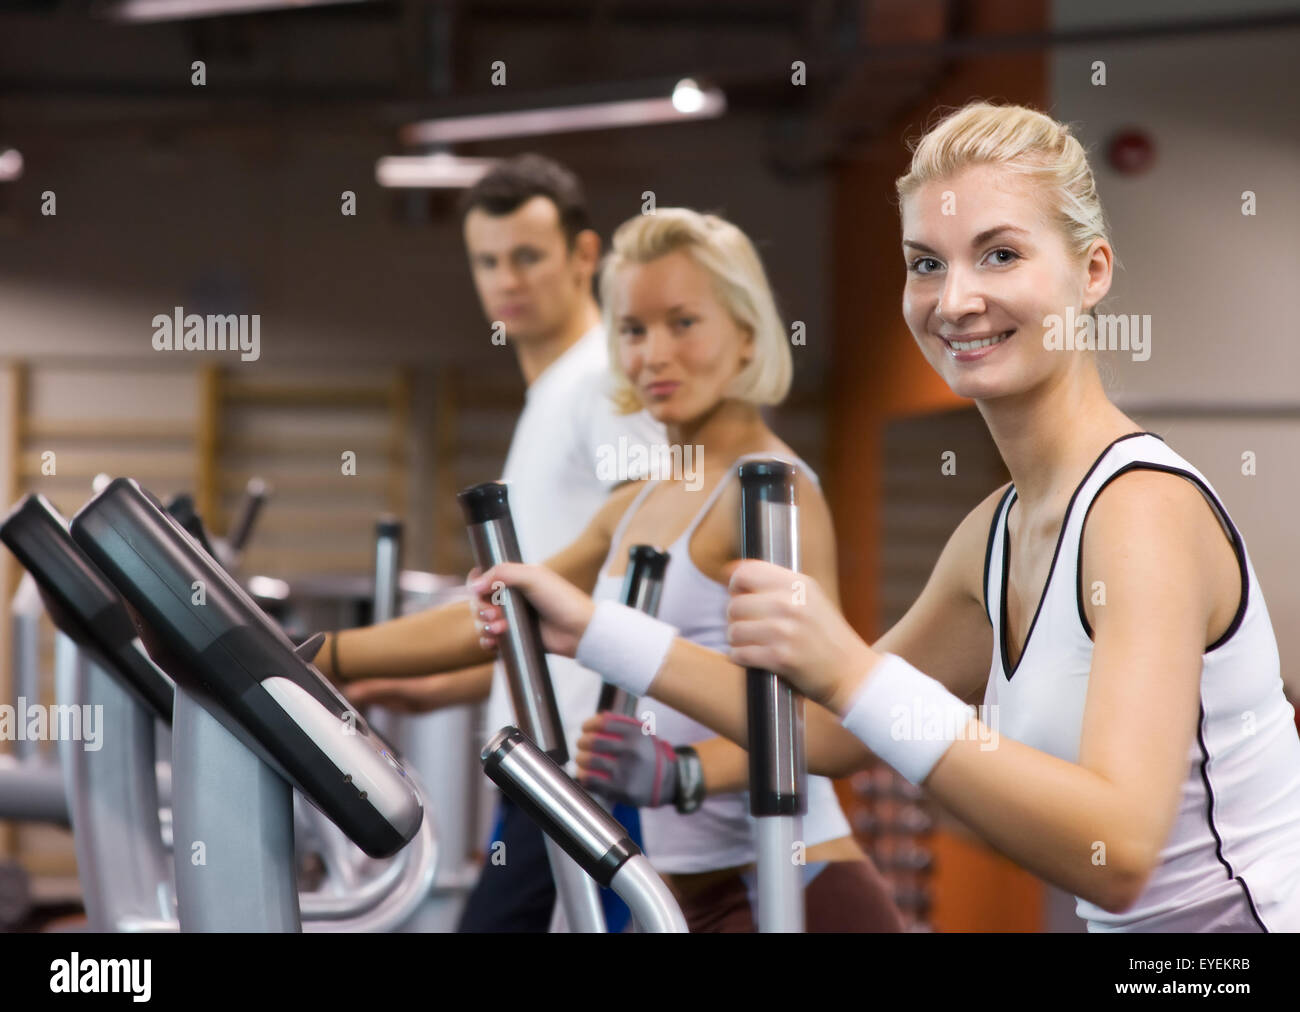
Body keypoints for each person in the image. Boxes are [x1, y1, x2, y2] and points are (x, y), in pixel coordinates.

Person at [475, 101, 1300, 932]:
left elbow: (1118, 853)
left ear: (1093, 272)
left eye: (1000, 254)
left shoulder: (1142, 512)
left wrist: (856, 674)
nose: (957, 300)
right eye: (926, 264)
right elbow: (833, 733)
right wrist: (590, 631)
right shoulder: (995, 534)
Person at [319, 207, 903, 932]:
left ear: (747, 334)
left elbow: (823, 722)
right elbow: (506, 615)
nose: (653, 353)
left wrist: (682, 775)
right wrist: (319, 658)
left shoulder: (773, 492)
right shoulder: (640, 501)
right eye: (632, 330)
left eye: (683, 323)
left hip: (794, 885)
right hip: (682, 892)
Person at [333, 153, 665, 932]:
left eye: (527, 256)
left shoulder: (602, 384)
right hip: (537, 761)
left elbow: (636, 569)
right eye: (487, 261)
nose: (505, 279)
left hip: (584, 766)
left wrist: (337, 656)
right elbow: (543, 623)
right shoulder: (553, 393)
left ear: (585, 255)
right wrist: (431, 686)